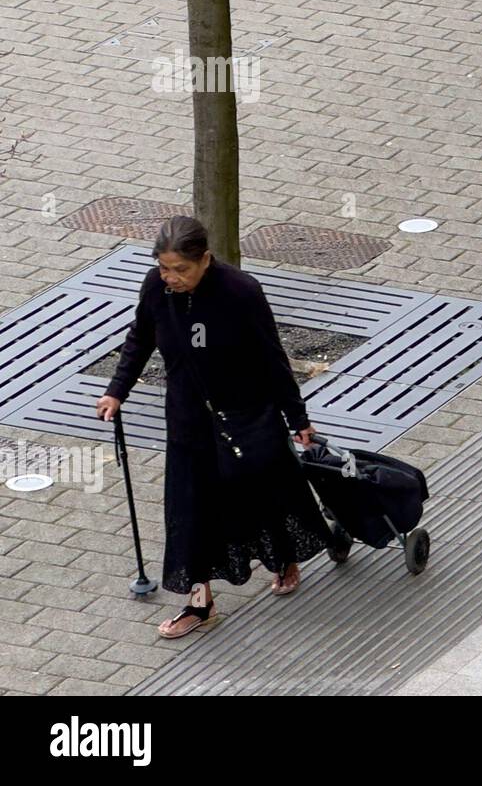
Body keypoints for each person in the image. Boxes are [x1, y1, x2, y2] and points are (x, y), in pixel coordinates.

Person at [95, 216, 331, 638]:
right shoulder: (156, 288)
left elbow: (271, 357)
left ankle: (283, 557)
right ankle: (199, 603)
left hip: (246, 413)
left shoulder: (240, 292)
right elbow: (140, 338)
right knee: (190, 506)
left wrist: (298, 418)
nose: (171, 278)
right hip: (187, 419)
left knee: (260, 490)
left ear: (204, 259)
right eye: (164, 268)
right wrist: (116, 391)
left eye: (180, 269)